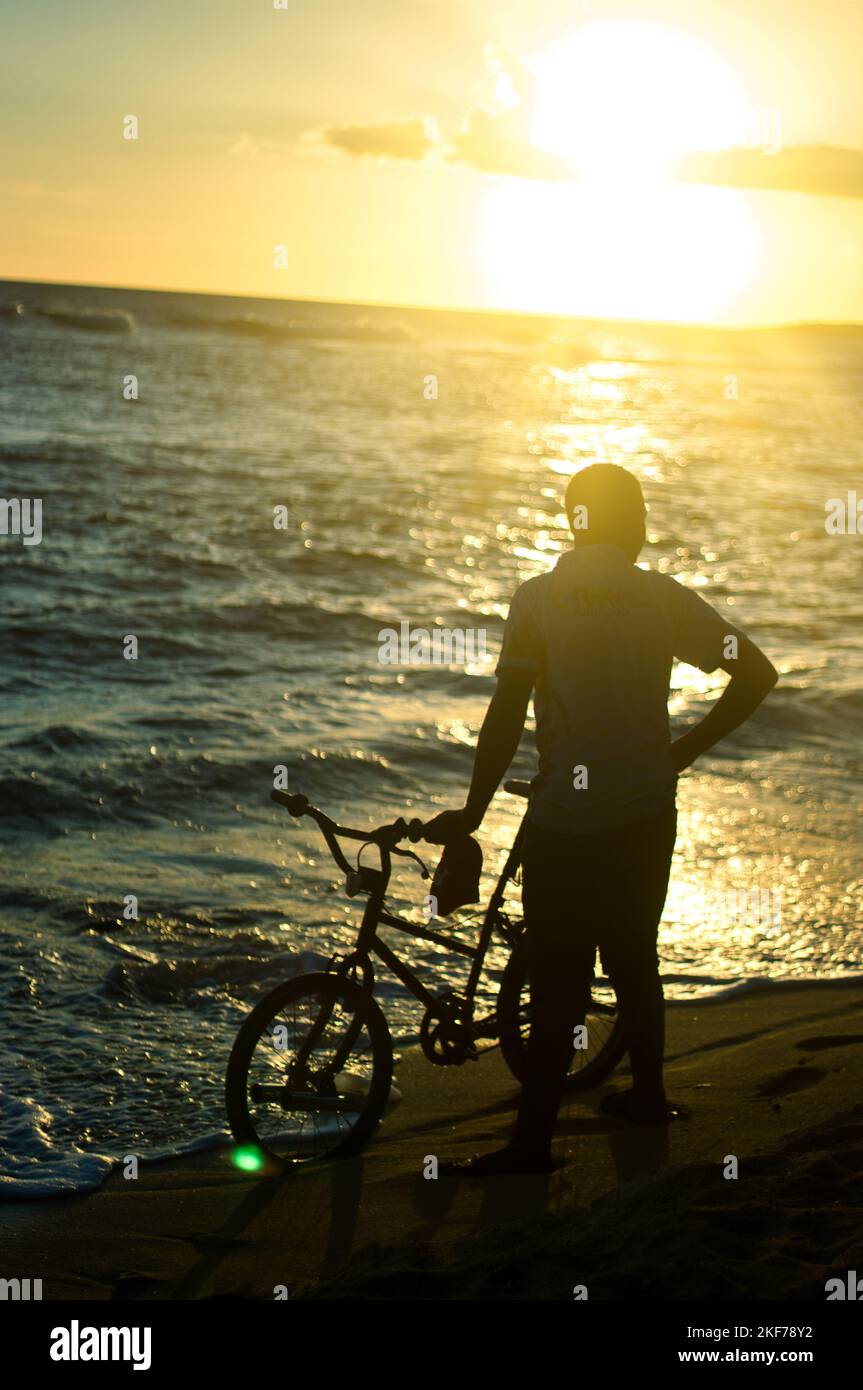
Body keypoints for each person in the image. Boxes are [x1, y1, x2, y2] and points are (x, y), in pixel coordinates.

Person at [423, 463, 778, 1176]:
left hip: (564, 821)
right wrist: (682, 752)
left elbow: (504, 714)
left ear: (573, 522)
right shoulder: (660, 599)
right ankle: (647, 1097)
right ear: (633, 525)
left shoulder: (539, 600)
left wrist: (473, 811)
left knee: (557, 983)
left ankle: (532, 1144)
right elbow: (757, 674)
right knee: (633, 962)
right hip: (644, 813)